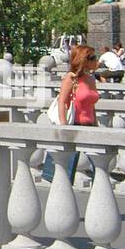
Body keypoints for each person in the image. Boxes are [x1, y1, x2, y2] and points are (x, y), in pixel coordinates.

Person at [42, 43, 100, 183]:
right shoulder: (71, 78)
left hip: (90, 125)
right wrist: (64, 125)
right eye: (92, 57)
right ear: (83, 59)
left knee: (99, 165)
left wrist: (96, 123)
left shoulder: (91, 79)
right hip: (74, 124)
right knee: (65, 170)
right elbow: (62, 101)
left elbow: (91, 105)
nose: (95, 60)